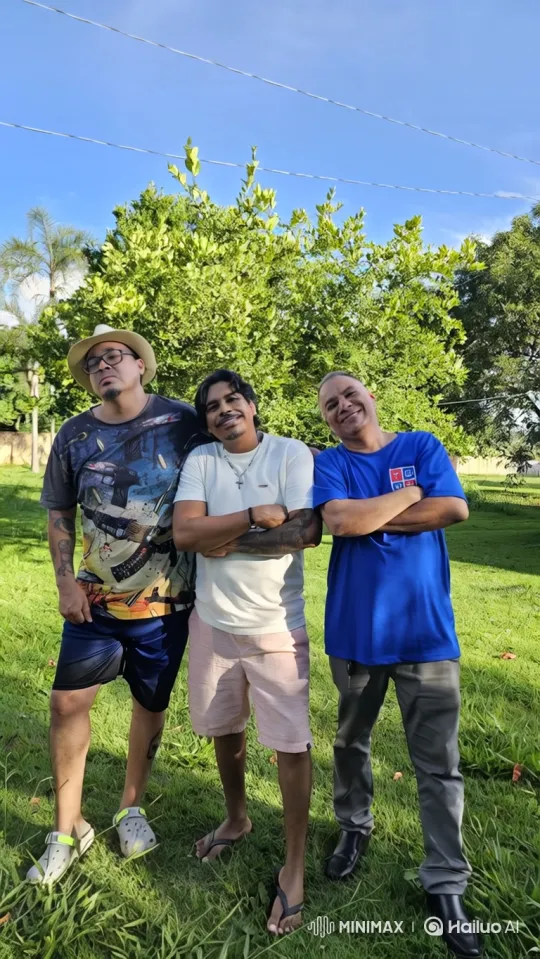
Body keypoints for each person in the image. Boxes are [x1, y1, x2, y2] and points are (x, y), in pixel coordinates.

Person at [313, 372, 481, 959]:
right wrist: (412, 496)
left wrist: (375, 510)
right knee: (351, 741)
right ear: (327, 419)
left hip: (427, 633)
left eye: (350, 395)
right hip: (356, 633)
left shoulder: (421, 446)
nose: (343, 407)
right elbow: (340, 522)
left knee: (439, 764)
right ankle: (354, 829)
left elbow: (455, 508)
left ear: (371, 396)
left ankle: (445, 883)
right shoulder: (328, 464)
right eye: (331, 405)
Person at [28, 324, 203, 885]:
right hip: (95, 602)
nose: (103, 365)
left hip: (167, 602)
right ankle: (67, 828)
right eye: (93, 362)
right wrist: (64, 583)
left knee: (149, 706)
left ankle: (130, 809)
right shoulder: (74, 435)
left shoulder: (183, 422)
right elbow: (59, 512)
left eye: (114, 356)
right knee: (66, 704)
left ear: (140, 366)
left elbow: (237, 456)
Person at [173, 369, 321, 936]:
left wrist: (221, 539)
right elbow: (185, 536)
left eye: (232, 400)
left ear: (253, 406)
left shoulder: (289, 456)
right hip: (212, 625)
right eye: (211, 407)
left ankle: (295, 867)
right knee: (224, 729)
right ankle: (237, 819)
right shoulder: (203, 461)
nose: (222, 411)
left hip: (276, 628)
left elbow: (304, 532)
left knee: (289, 745)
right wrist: (254, 517)